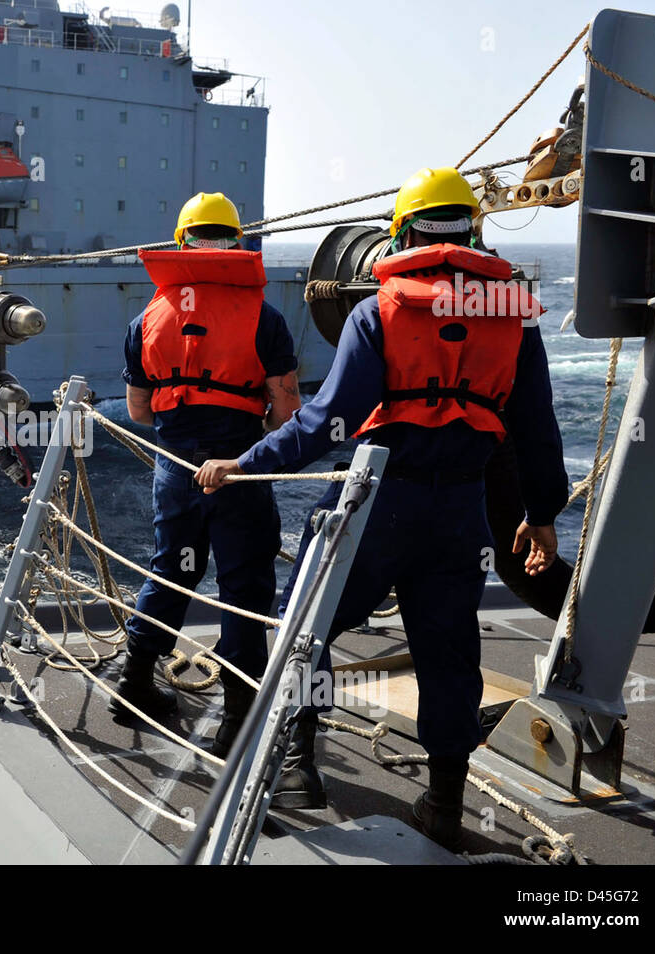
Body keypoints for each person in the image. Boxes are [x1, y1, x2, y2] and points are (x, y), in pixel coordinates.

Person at [195, 167, 569, 848]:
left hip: (374, 504)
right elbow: (538, 430)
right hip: (461, 513)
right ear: (474, 232)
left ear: (400, 232)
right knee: (450, 655)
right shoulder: (515, 321)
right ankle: (446, 805)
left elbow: (324, 422)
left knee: (306, 626)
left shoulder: (380, 312)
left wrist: (244, 464)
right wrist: (541, 516)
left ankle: (300, 768)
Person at [118, 191, 301, 757]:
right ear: (237, 244)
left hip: (175, 465)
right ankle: (237, 718)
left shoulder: (148, 316)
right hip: (238, 467)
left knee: (170, 570)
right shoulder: (264, 319)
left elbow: (138, 411)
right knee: (244, 587)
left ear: (182, 245)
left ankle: (133, 684)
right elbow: (287, 412)